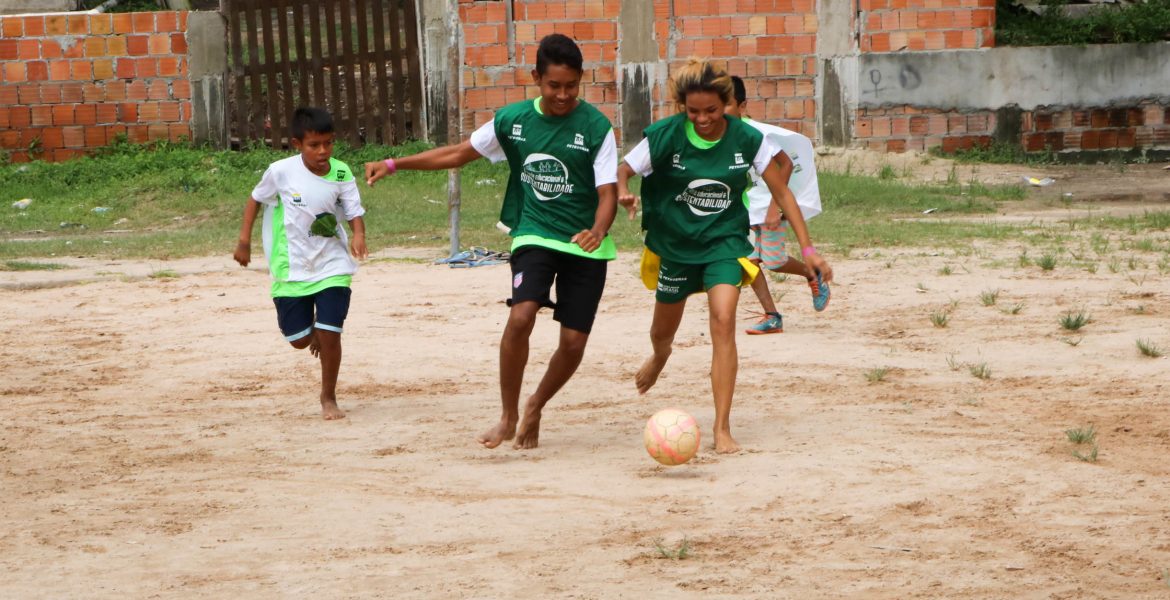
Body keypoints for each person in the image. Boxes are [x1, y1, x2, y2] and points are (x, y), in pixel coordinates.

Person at [364, 33, 618, 450]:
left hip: (584, 243)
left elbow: (607, 193)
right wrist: (394, 163)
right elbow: (459, 154)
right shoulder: (513, 121)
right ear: (537, 78)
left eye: (571, 86)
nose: (563, 94)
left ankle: (536, 404)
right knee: (522, 316)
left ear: (581, 80)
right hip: (534, 231)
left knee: (572, 344)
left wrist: (599, 229)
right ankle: (508, 415)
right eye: (554, 85)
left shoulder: (595, 127)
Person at [617, 59, 832, 454]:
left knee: (724, 319)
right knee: (662, 332)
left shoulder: (748, 138)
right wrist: (622, 191)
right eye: (693, 111)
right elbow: (624, 169)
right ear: (682, 106)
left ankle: (722, 428)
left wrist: (809, 250)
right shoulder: (664, 135)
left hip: (723, 242)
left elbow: (784, 192)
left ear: (728, 104)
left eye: (712, 111)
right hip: (675, 247)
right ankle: (661, 356)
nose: (702, 119)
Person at [234, 107, 368, 420]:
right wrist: (244, 241)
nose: (323, 151)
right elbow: (255, 199)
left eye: (329, 143)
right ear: (297, 144)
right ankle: (315, 331)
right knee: (298, 340)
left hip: (332, 264)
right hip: (291, 267)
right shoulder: (280, 171)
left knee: (331, 332)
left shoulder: (341, 172)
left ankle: (328, 398)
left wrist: (358, 234)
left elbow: (353, 209)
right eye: (314, 145)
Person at [726, 75, 829, 335]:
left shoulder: (755, 135)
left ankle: (810, 273)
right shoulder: (721, 135)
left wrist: (774, 206)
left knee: (773, 261)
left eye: (726, 105)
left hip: (773, 199)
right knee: (746, 261)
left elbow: (786, 164)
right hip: (748, 204)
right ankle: (772, 316)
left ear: (742, 106)